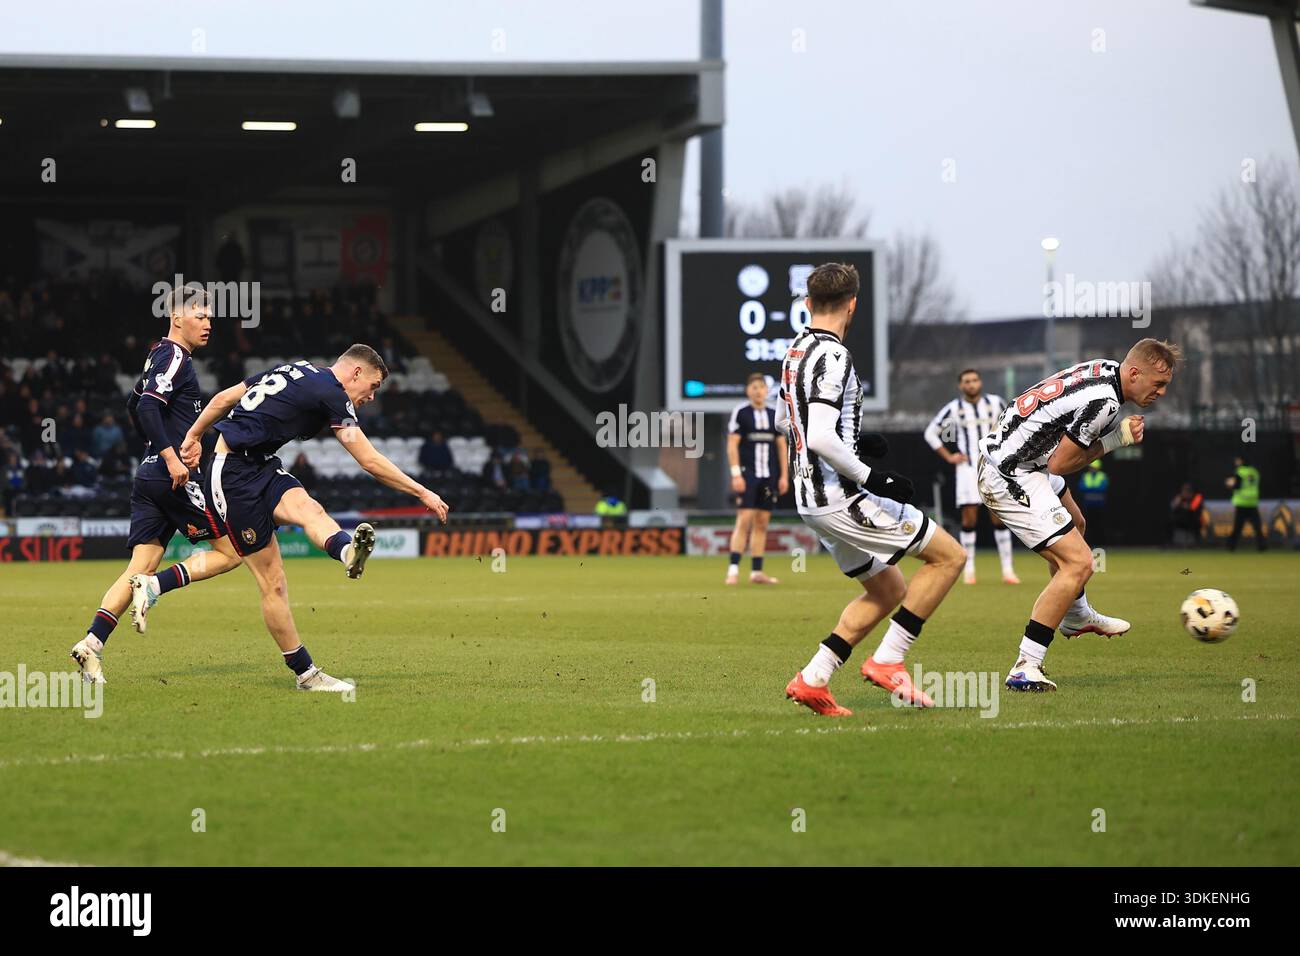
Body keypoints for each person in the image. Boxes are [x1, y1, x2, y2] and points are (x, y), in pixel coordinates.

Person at [177, 344, 450, 691]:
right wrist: (422, 492)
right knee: (272, 582)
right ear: (356, 373)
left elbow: (223, 399)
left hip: (260, 466)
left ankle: (348, 552)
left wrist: (194, 434)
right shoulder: (331, 391)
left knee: (311, 509)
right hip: (230, 475)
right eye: (374, 385)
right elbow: (367, 460)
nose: (371, 396)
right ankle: (306, 674)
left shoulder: (296, 369)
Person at [775, 262, 968, 715]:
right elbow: (820, 436)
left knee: (887, 590)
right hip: (841, 496)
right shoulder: (834, 355)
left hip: (809, 500)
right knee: (950, 557)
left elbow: (788, 421)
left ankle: (813, 678)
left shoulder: (795, 350)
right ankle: (889, 661)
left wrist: (857, 440)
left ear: (807, 304)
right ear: (853, 305)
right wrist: (872, 476)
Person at [978, 338, 1180, 692]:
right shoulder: (1104, 401)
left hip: (1022, 459)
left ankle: (1075, 615)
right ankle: (1026, 665)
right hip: (1010, 471)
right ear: (1134, 373)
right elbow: (1062, 463)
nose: (1161, 392)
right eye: (1158, 383)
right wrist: (1118, 439)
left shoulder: (1103, 369)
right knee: (1079, 563)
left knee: (1078, 524)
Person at [70, 285, 244, 685]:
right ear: (176, 317)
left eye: (210, 317)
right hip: (172, 476)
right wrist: (171, 455)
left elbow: (135, 403)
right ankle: (156, 587)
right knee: (231, 552)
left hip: (149, 476)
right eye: (200, 316)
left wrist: (157, 446)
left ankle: (91, 645)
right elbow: (147, 406)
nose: (208, 323)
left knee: (137, 566)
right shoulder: (175, 356)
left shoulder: (156, 356)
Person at [923, 369, 1018, 584]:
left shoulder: (995, 403)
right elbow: (931, 432)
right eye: (967, 381)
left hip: (994, 468)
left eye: (975, 380)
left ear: (980, 382)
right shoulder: (954, 408)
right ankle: (969, 570)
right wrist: (949, 456)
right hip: (967, 469)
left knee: (999, 516)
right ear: (960, 385)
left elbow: (1013, 425)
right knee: (969, 518)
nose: (972, 384)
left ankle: (1008, 570)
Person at [725, 373, 789, 585]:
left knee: (762, 523)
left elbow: (781, 446)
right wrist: (736, 474)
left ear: (766, 390)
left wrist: (784, 476)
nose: (758, 390)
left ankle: (756, 572)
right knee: (744, 520)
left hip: (769, 476)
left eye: (761, 387)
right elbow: (732, 444)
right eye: (754, 387)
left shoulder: (774, 414)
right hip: (748, 475)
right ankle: (733, 569)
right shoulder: (741, 413)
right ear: (748, 390)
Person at [1225, 455, 1265, 552]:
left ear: (1242, 461)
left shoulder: (1240, 472)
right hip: (1252, 502)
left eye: (1238, 460)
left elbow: (1236, 486)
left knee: (1237, 527)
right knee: (1258, 527)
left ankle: (1231, 547)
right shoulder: (1254, 471)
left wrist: (1229, 484)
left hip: (1242, 503)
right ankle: (1262, 547)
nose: (1236, 462)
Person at [1078, 459, 1109, 546]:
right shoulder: (1085, 476)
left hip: (1099, 504)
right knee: (1088, 525)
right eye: (1091, 468)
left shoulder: (1102, 476)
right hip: (1088, 504)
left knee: (1099, 525)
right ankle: (1088, 544)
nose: (1092, 469)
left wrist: (1090, 488)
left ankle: (1100, 544)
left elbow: (1103, 488)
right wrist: (1095, 488)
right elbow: (1081, 487)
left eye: (1094, 468)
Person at [1169, 483, 1204, 548]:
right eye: (1184, 490)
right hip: (1180, 526)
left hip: (1193, 526)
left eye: (1188, 491)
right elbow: (1173, 507)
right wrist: (1178, 502)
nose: (1186, 492)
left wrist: (1184, 505)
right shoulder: (1179, 498)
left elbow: (1192, 508)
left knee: (1191, 545)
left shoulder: (1197, 497)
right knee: (1179, 544)